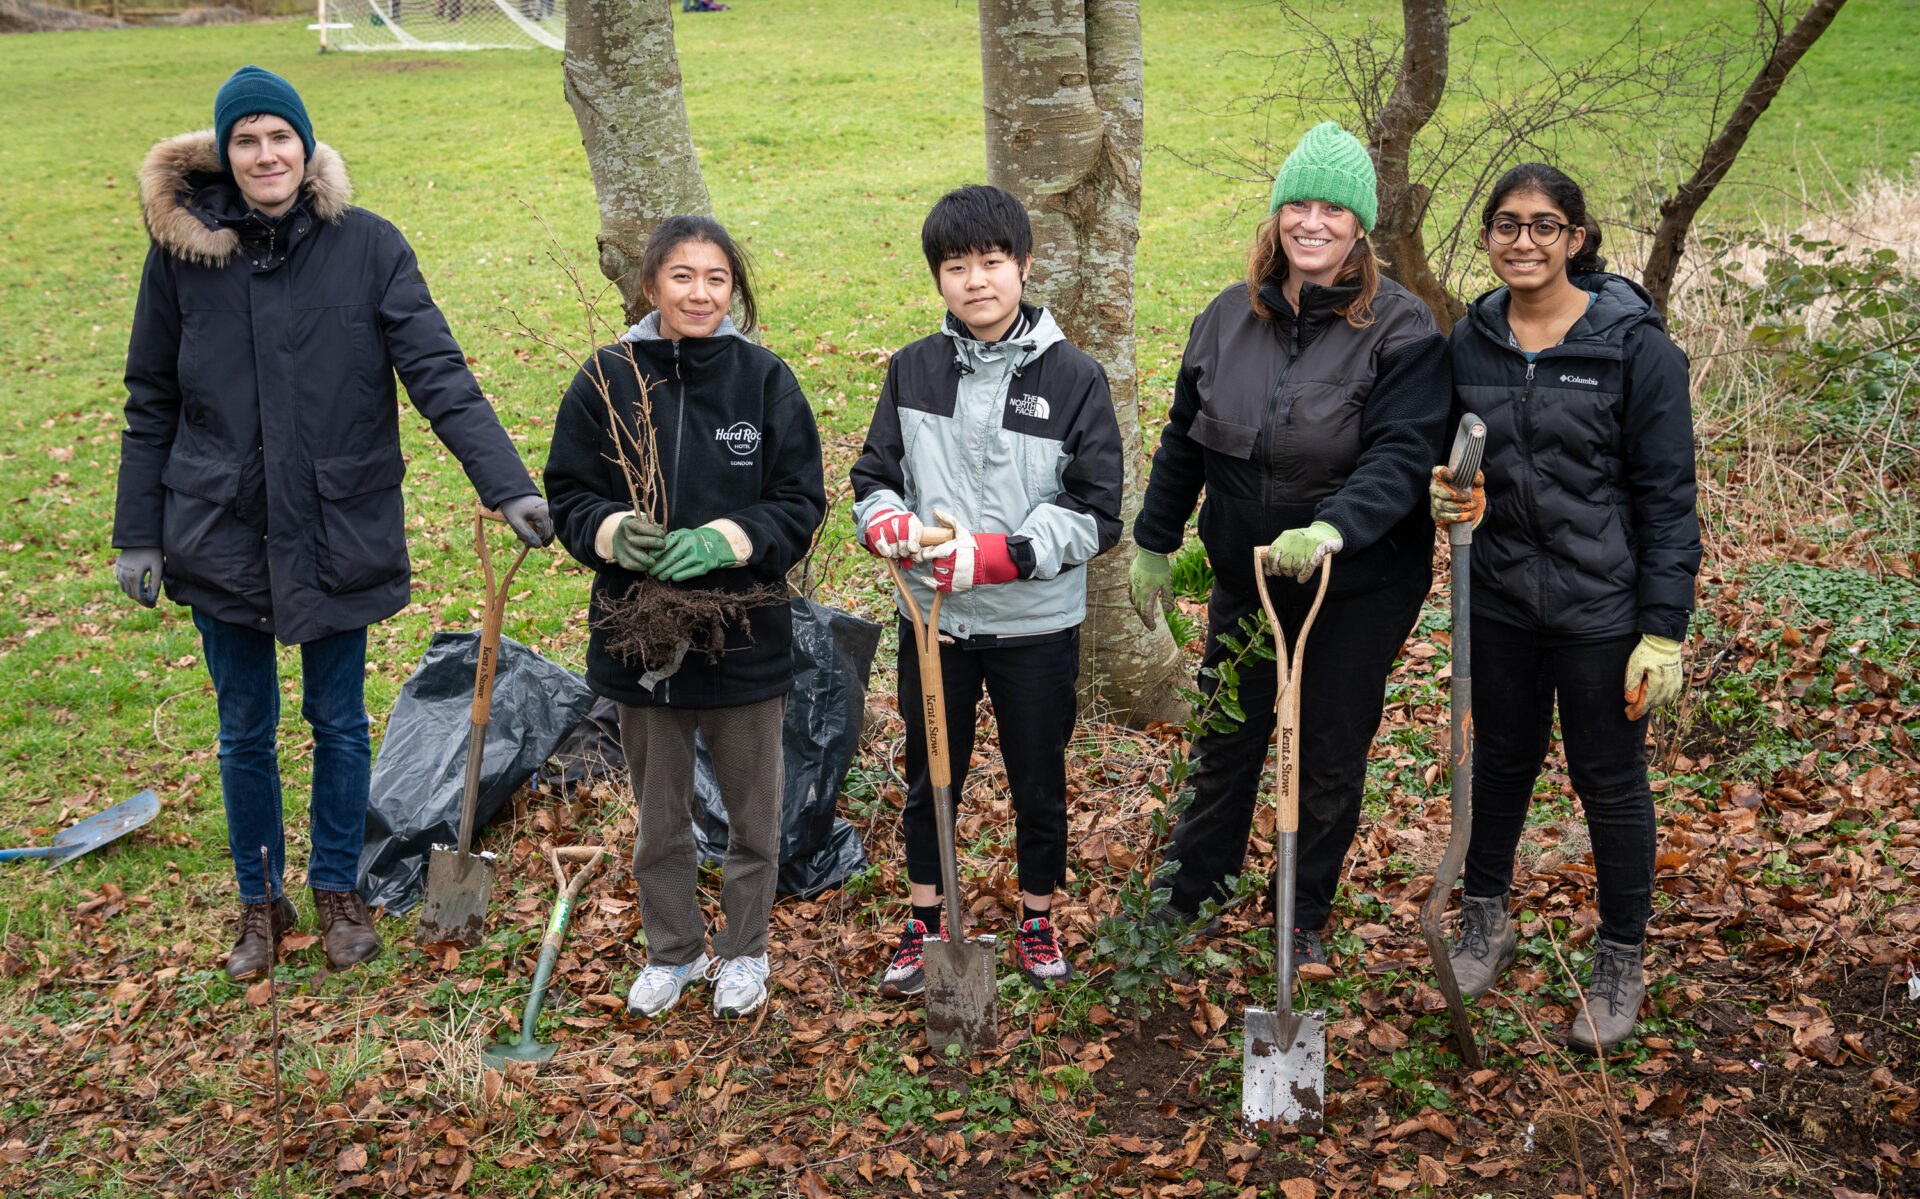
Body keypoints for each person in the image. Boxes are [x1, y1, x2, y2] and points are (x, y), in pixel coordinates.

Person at [112, 65, 551, 979]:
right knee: (244, 728)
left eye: (281, 136)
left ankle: (339, 888)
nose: (266, 154)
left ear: (306, 148)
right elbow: (150, 397)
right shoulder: (182, 259)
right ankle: (258, 898)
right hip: (219, 525)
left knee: (339, 721)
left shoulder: (370, 247)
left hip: (334, 523)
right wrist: (138, 531)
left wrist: (506, 485)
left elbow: (439, 375)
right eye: (247, 140)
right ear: (225, 157)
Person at [1129, 122, 1450, 967]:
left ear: (1360, 226)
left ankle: (1300, 911)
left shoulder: (1403, 329)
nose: (1313, 223)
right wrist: (1156, 540)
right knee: (1227, 735)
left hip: (1358, 584)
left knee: (1328, 748)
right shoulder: (1226, 318)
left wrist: (1331, 526)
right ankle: (1194, 888)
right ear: (1276, 217)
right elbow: (1185, 438)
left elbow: (1402, 454)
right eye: (1297, 205)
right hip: (1251, 576)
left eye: (1333, 210)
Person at [1431, 162, 1699, 1053]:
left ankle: (1621, 958)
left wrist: (1662, 628)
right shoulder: (1468, 346)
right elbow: (1449, 459)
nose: (1525, 241)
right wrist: (1449, 495)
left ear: (1576, 240)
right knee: (1501, 765)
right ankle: (1484, 922)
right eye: (1507, 224)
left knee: (1610, 782)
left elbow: (1667, 497)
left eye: (1545, 226)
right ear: (1488, 238)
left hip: (1602, 611)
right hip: (1501, 599)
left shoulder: (1635, 349)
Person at [545, 215, 826, 1021]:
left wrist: (726, 539)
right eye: (682, 277)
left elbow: (800, 502)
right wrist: (610, 532)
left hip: (745, 632)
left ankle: (744, 951)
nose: (699, 293)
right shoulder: (607, 378)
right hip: (643, 633)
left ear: (732, 290)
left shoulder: (764, 381)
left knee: (753, 812)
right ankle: (672, 949)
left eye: (716, 279)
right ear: (649, 286)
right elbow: (567, 492)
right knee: (659, 815)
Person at [853, 184, 1124, 995]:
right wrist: (887, 527)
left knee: (1037, 774)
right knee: (930, 769)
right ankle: (928, 918)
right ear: (939, 277)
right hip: (931, 622)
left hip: (1033, 625)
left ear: (1025, 266)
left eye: (992, 262)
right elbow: (874, 477)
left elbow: (1096, 511)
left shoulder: (1076, 378)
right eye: (957, 266)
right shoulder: (912, 370)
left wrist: (997, 557)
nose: (976, 281)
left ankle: (1036, 916)